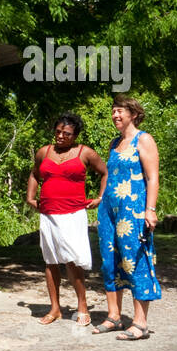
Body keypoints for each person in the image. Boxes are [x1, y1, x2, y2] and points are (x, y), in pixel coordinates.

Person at [26, 113, 107, 324]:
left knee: (73, 261)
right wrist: (30, 197)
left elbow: (105, 173)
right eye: (58, 132)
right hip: (49, 213)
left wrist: (100, 197)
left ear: (75, 135)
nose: (61, 136)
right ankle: (55, 309)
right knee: (50, 260)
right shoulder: (44, 151)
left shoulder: (85, 153)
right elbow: (35, 174)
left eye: (67, 133)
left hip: (73, 214)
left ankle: (82, 305)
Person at [94, 97, 162, 339]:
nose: (115, 115)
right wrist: (101, 199)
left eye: (119, 111)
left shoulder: (143, 139)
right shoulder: (115, 143)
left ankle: (140, 323)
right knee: (109, 261)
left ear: (133, 114)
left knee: (135, 261)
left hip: (133, 210)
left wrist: (150, 209)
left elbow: (152, 178)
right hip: (109, 211)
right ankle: (114, 316)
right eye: (113, 111)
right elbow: (110, 177)